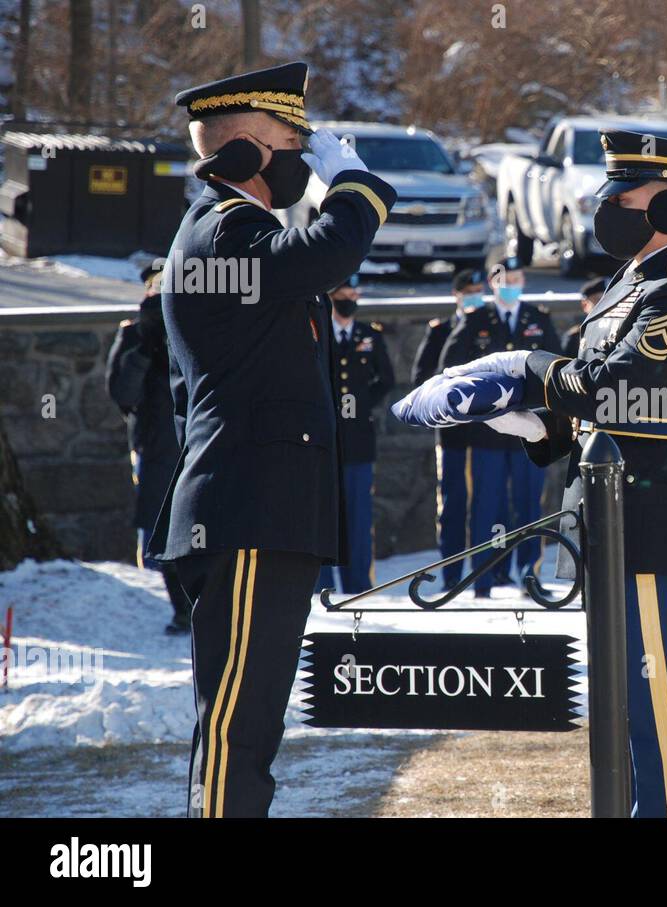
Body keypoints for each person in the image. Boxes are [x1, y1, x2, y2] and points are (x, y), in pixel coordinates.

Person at [445, 128, 667, 817]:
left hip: (655, 520)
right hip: (611, 516)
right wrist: (542, 429)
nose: (607, 208)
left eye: (621, 195)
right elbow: (605, 409)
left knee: (658, 690)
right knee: (627, 698)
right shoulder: (628, 284)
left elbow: (609, 386)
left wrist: (526, 368)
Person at [149, 62, 396, 818]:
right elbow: (324, 255)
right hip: (250, 510)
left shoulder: (228, 233)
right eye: (296, 142)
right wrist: (352, 184)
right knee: (238, 730)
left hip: (253, 507)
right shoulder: (227, 230)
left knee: (242, 723)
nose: (306, 155)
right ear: (251, 154)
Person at [439, 254, 561, 596]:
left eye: (519, 279)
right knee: (486, 504)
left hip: (530, 430)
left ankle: (529, 576)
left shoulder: (538, 318)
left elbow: (555, 368)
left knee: (529, 505)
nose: (512, 286)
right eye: (506, 279)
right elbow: (450, 366)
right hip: (488, 429)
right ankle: (483, 579)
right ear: (493, 283)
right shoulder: (477, 318)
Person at [105, 262, 189, 634]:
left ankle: (196, 603)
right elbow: (122, 393)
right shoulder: (134, 336)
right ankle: (180, 607)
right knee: (161, 529)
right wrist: (145, 346)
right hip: (156, 448)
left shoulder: (190, 328)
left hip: (189, 446)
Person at [316, 274, 394, 594]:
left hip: (359, 441)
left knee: (359, 519)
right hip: (326, 439)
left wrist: (361, 406)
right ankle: (322, 585)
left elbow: (385, 379)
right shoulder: (318, 335)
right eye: (344, 292)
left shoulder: (368, 335)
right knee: (324, 516)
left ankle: (358, 584)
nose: (350, 297)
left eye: (353, 292)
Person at [412, 267, 485, 589]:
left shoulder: (490, 324)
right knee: (452, 506)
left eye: (479, 289)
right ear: (457, 295)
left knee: (487, 506)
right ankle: (452, 576)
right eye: (469, 290)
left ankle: (486, 576)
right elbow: (421, 379)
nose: (475, 295)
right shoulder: (441, 330)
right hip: (453, 433)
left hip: (488, 432)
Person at [564, 277, 606, 357]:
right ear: (585, 305)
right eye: (597, 300)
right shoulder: (575, 337)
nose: (603, 305)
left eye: (605, 300)